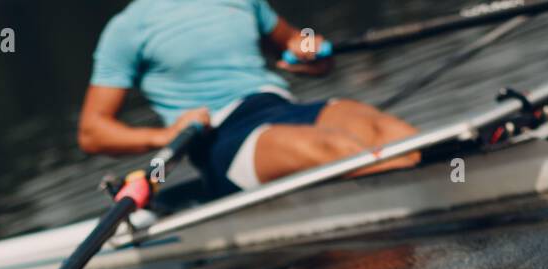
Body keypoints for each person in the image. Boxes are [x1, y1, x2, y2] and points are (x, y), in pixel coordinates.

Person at [77, 0, 420, 197]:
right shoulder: (127, 29)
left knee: (392, 132)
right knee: (336, 149)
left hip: (280, 107)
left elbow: (293, 42)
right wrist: (165, 136)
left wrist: (311, 49)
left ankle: (434, 177)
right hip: (222, 140)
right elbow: (92, 132)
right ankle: (417, 189)